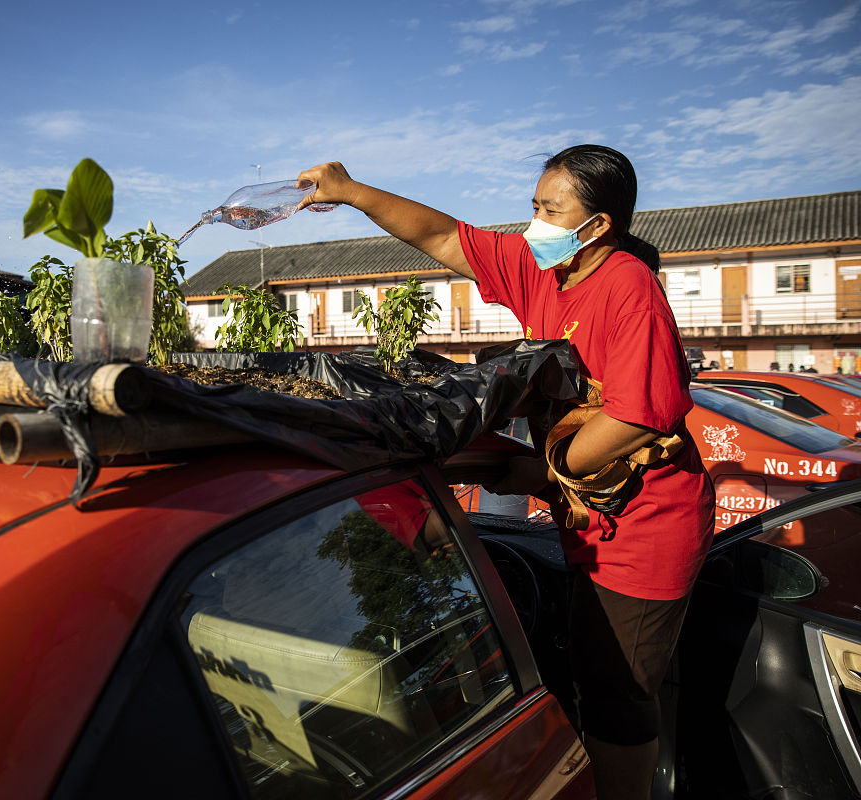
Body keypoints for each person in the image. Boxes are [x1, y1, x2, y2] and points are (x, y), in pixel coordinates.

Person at [298, 146, 714, 800]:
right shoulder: (546, 271)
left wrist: (547, 471)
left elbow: (641, 416)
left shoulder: (627, 285)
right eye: (534, 206)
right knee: (591, 668)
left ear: (597, 225)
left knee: (617, 693)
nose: (534, 224)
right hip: (591, 518)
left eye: (552, 210)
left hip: (646, 526)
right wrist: (350, 190)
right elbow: (441, 235)